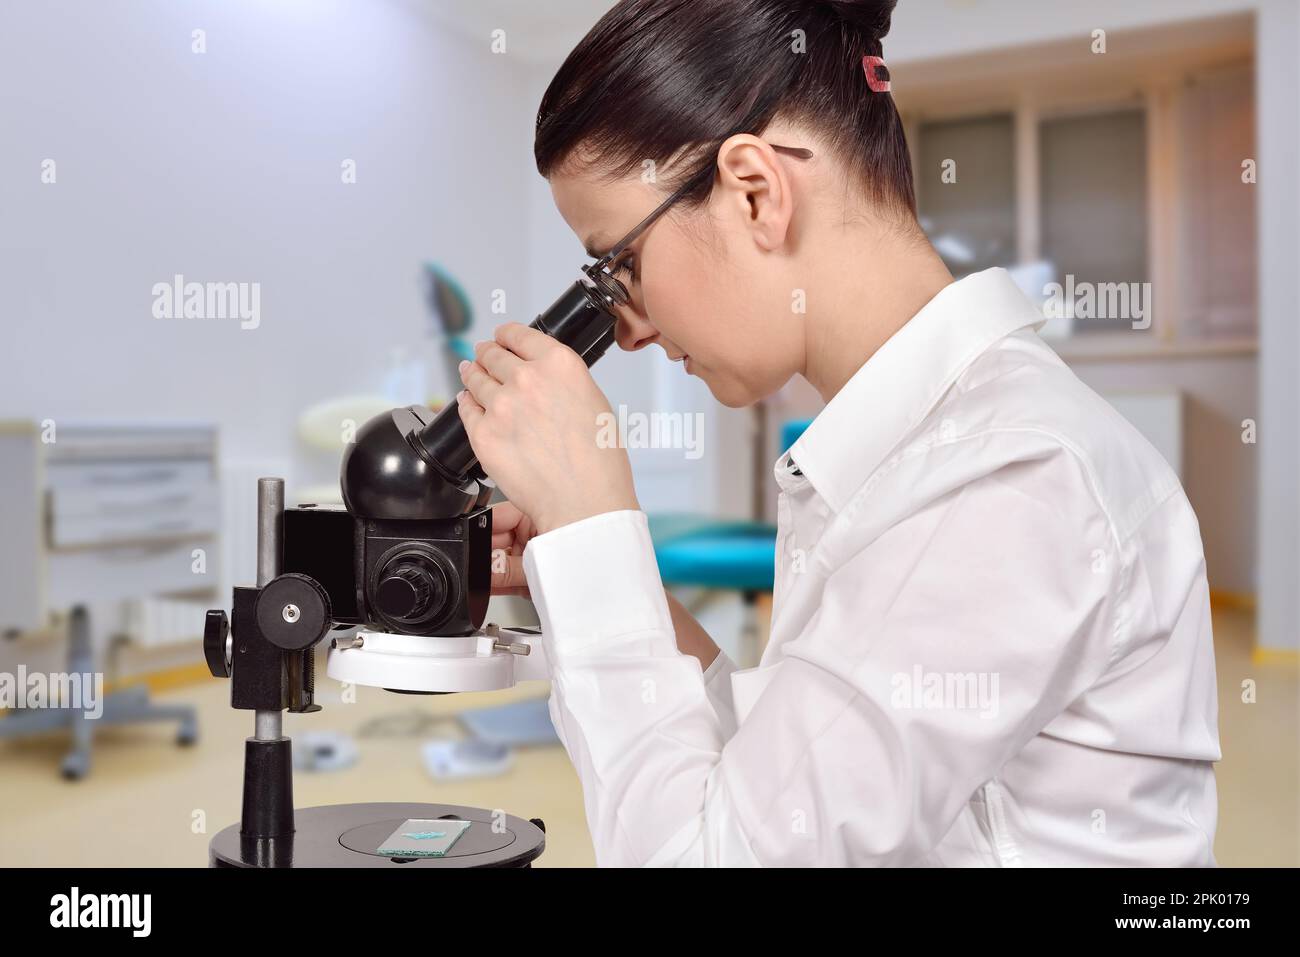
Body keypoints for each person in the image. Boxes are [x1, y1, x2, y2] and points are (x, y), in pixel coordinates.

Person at [454, 0, 1220, 866]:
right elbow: (790, 765)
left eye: (620, 265)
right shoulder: (920, 444)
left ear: (756, 190)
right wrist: (593, 574)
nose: (623, 330)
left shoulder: (1008, 477)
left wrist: (596, 523)